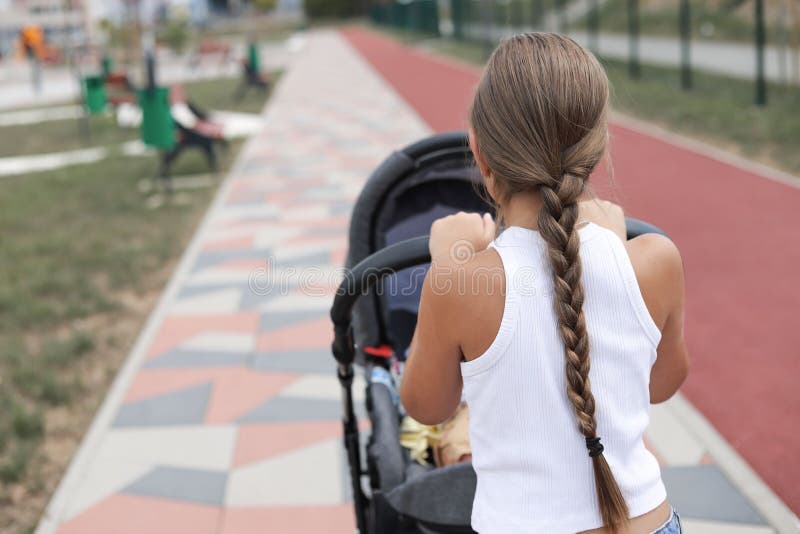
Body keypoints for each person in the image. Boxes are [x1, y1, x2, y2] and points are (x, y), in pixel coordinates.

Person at [400, 33, 688, 534]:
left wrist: (453, 260)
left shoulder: (460, 282)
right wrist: (614, 255)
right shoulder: (656, 260)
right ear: (596, 148)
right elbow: (661, 384)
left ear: (479, 154)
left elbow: (426, 406)